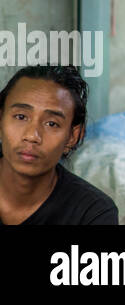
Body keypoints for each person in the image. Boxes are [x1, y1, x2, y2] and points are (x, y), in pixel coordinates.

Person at [0, 65, 117, 225]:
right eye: (21, 117)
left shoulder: (92, 213)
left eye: (52, 124)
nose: (32, 136)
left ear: (72, 137)